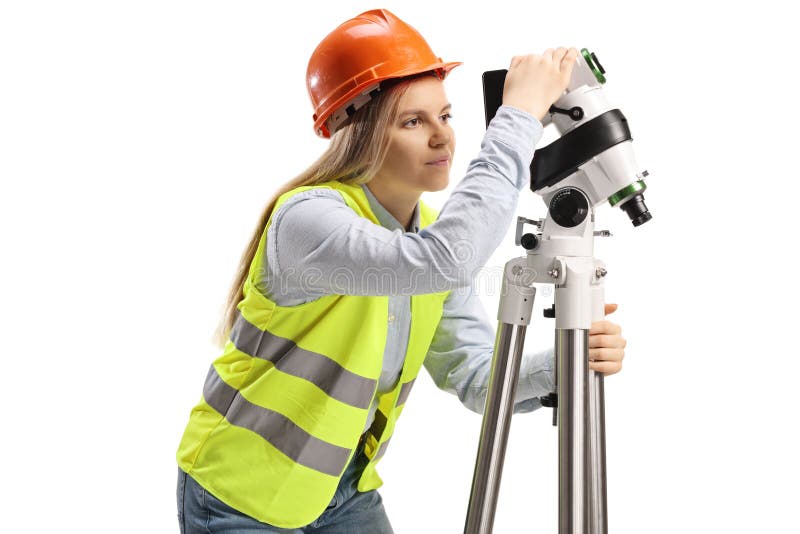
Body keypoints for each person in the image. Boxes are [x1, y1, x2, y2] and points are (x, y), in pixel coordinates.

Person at [175, 8, 626, 534]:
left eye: (446, 116)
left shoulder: (427, 237)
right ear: (355, 132)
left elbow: (478, 376)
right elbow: (448, 258)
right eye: (413, 121)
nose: (442, 138)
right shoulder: (308, 219)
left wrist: (570, 362)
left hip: (343, 489)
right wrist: (520, 116)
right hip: (241, 493)